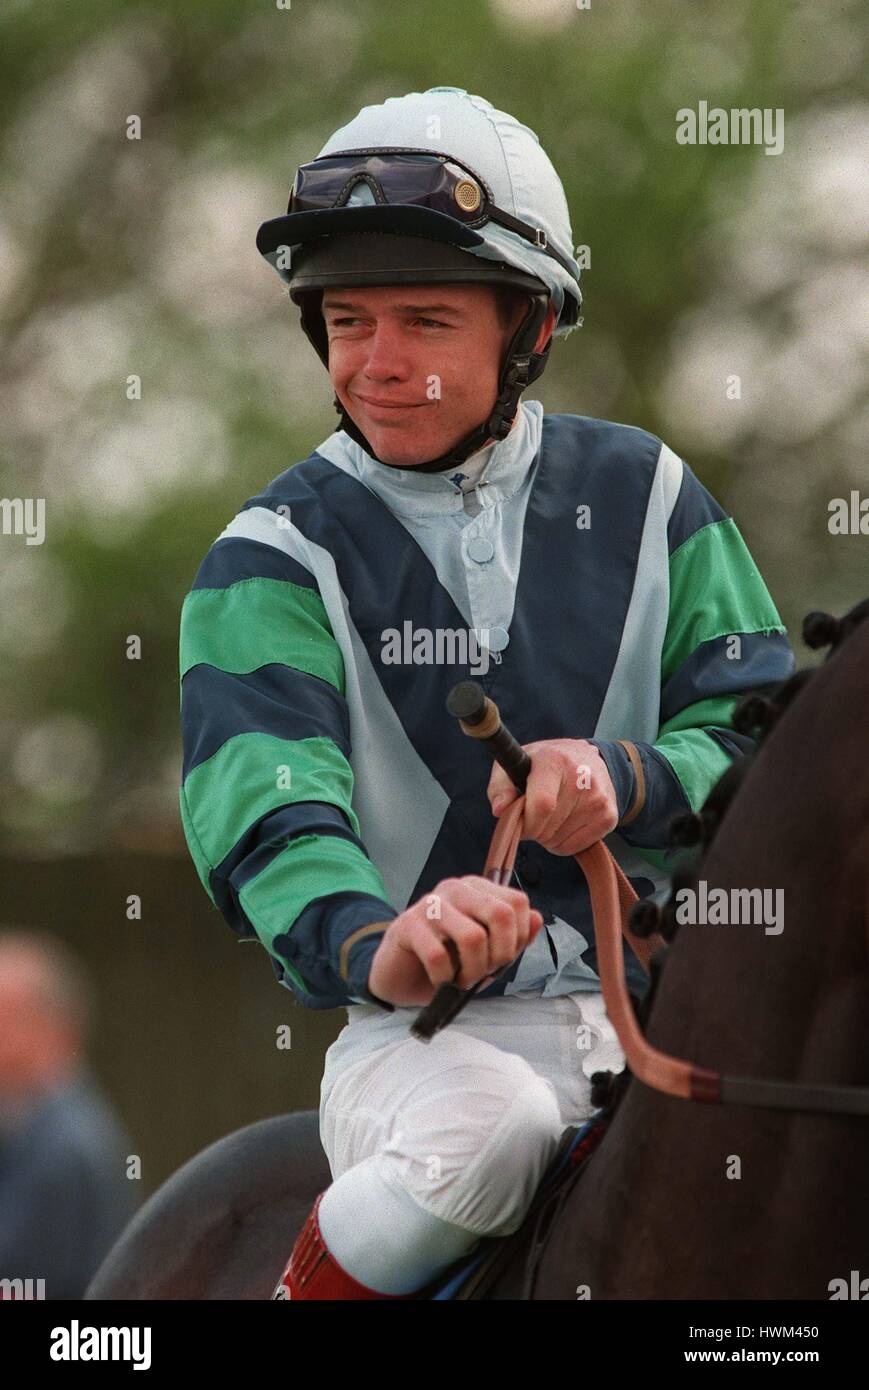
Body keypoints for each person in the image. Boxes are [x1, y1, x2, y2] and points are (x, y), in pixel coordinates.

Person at [178, 87, 796, 1299]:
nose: (377, 363)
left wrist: (629, 777)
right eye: (347, 321)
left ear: (529, 331)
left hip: (669, 1023)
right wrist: (391, 942)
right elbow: (273, 822)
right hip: (428, 1053)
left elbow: (767, 732)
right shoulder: (268, 557)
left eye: (424, 319)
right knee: (492, 1132)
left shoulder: (653, 496)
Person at [0, 930, 137, 1299]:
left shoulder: (63, 1147)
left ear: (54, 1027)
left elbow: (25, 1285)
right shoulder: (30, 1122)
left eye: (4, 1017)